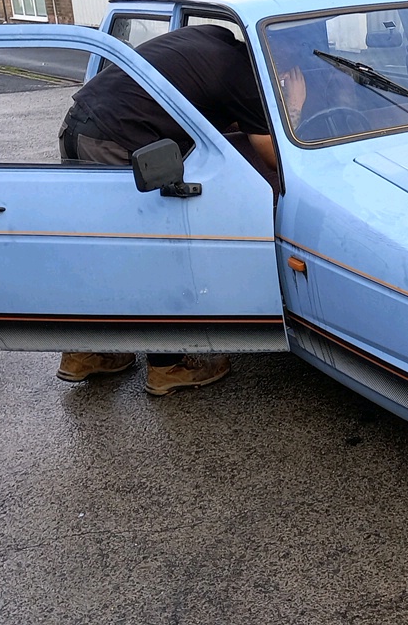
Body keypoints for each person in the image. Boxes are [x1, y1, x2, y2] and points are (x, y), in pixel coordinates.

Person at [55, 23, 307, 396]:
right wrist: (296, 105)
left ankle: (87, 352)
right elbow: (276, 159)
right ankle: (168, 365)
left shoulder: (216, 39)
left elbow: (205, 106)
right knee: (156, 251)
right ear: (280, 65)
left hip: (78, 125)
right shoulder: (246, 78)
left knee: (106, 248)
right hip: (117, 142)